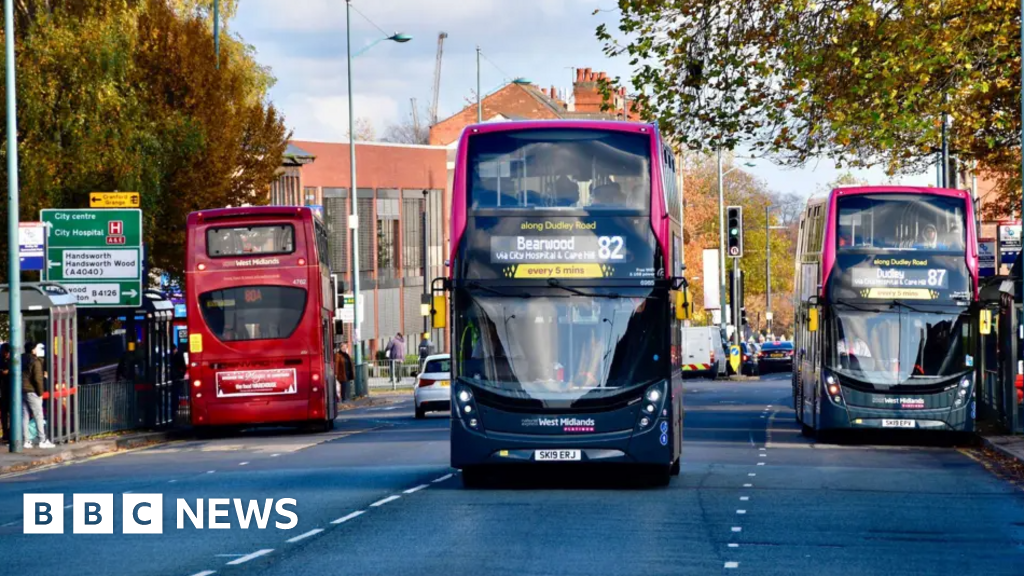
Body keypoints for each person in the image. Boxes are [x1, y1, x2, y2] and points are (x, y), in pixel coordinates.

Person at [22, 342, 53, 449]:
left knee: (25, 416)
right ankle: (42, 440)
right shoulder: (36, 361)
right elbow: (37, 379)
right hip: (32, 391)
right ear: (33, 350)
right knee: (38, 416)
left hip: (22, 390)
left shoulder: (21, 359)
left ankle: (26, 441)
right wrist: (40, 393)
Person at [0, 343, 10, 440]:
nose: (5, 354)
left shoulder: (13, 360)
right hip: (4, 390)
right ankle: (5, 433)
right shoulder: (1, 360)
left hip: (10, 390)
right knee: (4, 412)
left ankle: (9, 432)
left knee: (9, 412)